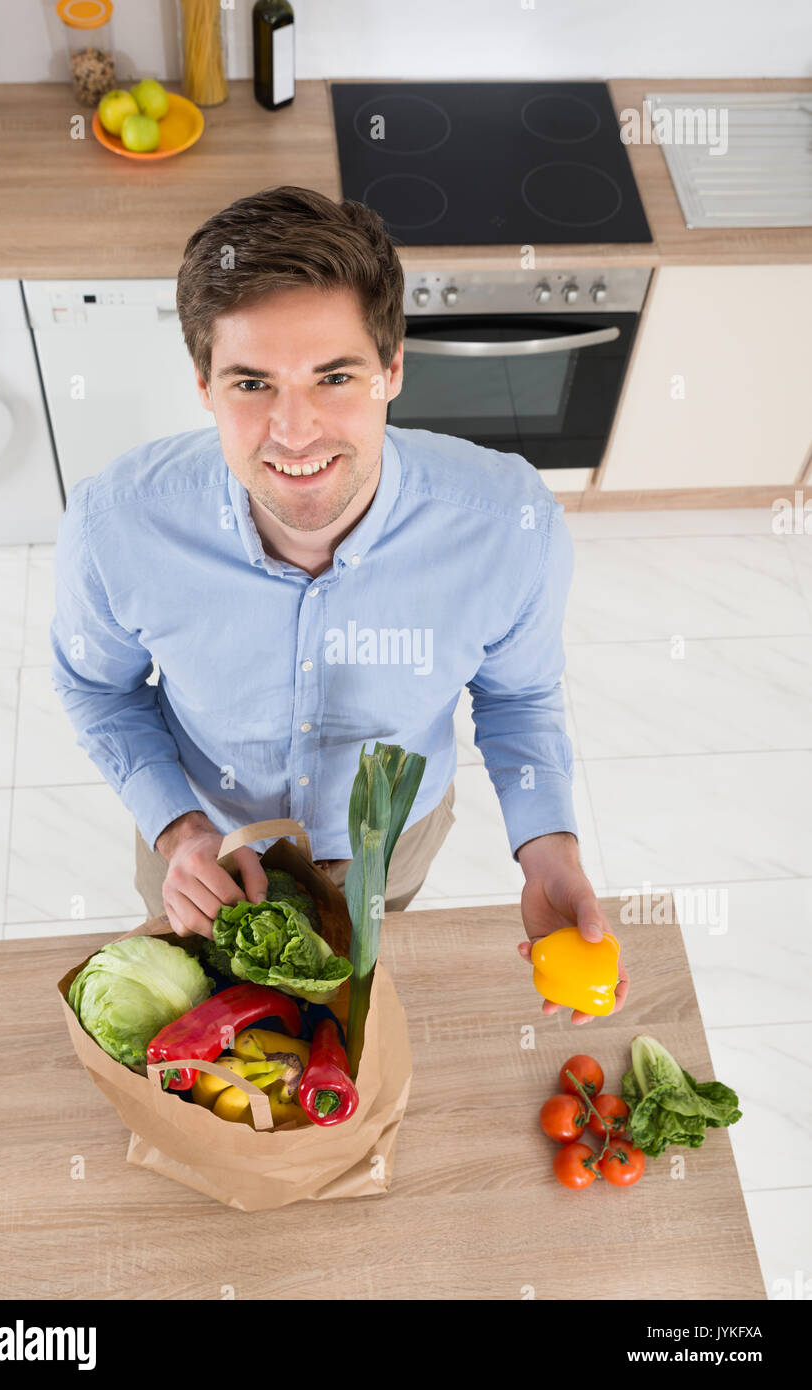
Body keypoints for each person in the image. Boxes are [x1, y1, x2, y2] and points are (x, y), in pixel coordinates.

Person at [50, 184, 628, 1025]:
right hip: (203, 845)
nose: (295, 431)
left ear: (392, 369)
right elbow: (97, 688)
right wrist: (178, 835)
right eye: (252, 382)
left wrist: (546, 851)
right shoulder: (115, 526)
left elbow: (517, 696)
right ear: (204, 385)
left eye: (334, 376)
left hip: (390, 852)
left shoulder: (511, 525)